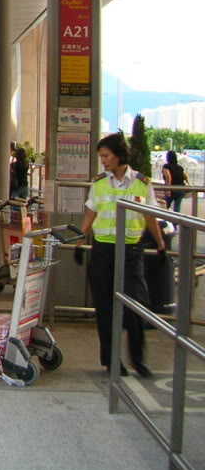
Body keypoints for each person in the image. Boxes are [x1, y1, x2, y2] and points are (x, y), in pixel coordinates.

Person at [78, 133, 165, 378]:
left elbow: (150, 216)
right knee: (104, 308)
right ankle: (111, 361)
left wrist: (160, 244)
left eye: (106, 156)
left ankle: (138, 359)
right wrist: (78, 240)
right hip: (103, 250)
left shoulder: (142, 183)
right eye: (101, 157)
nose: (103, 161)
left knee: (135, 305)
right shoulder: (99, 183)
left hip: (130, 252)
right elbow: (91, 212)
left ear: (119, 155)